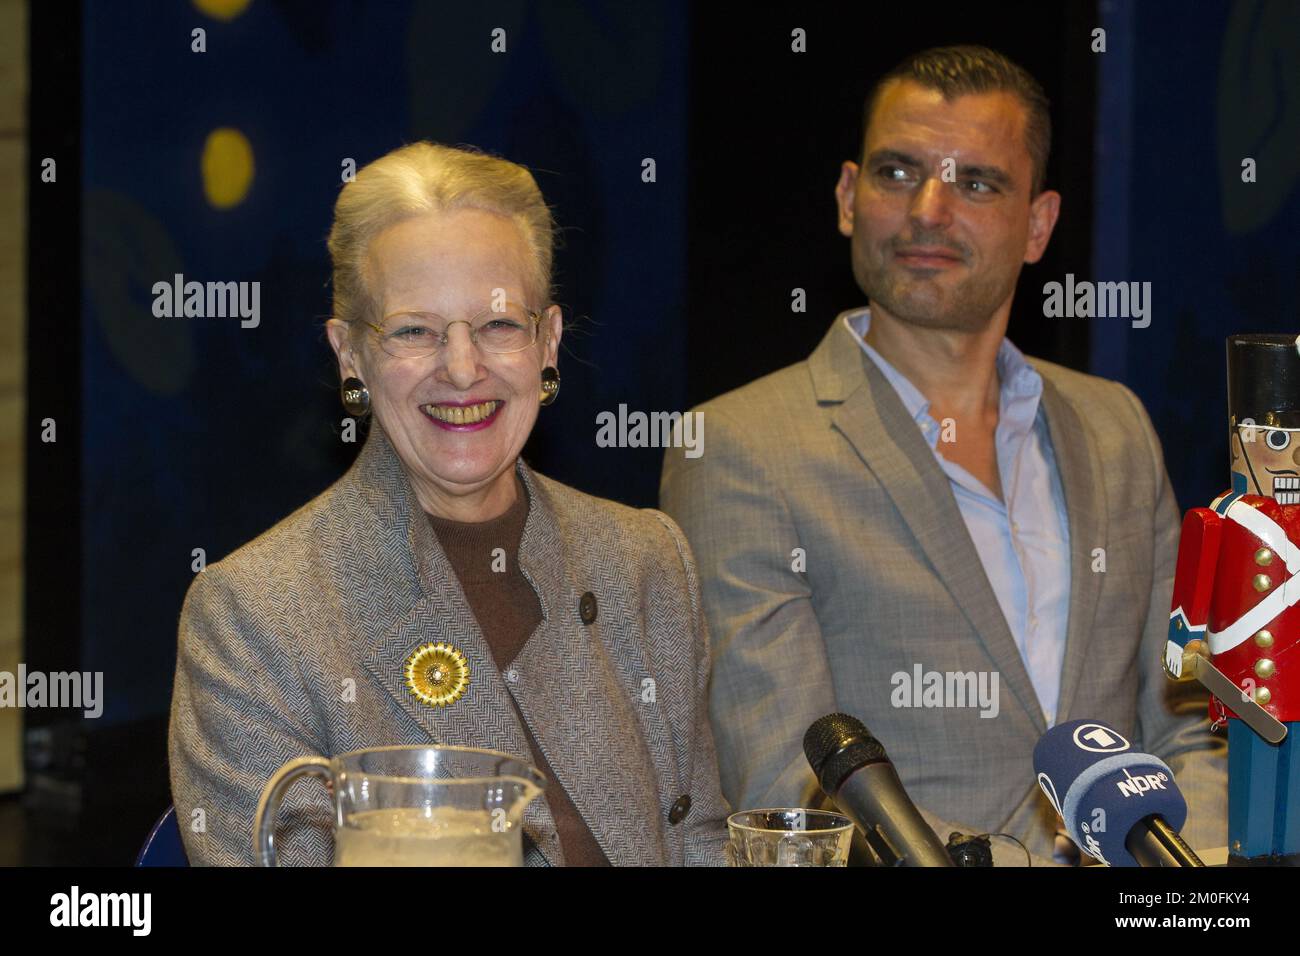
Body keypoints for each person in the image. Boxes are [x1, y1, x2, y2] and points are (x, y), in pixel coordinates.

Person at [660, 46, 1226, 865]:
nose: (928, 209)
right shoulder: (738, 447)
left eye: (977, 183)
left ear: (1039, 225)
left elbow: (1191, 725)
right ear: (848, 197)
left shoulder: (1117, 428)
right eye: (898, 173)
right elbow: (789, 787)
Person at [169, 141, 729, 866]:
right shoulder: (254, 617)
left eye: (498, 325)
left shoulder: (648, 560)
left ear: (548, 342)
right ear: (350, 356)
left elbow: (702, 841)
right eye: (414, 330)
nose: (463, 369)